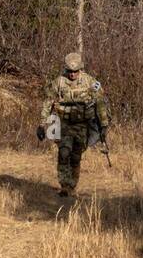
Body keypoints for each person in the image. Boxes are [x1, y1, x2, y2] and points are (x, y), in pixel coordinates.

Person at [37, 51, 110, 196]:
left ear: (80, 69)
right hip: (63, 123)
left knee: (76, 155)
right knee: (64, 152)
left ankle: (72, 186)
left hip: (83, 124)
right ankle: (64, 185)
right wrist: (42, 124)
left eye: (75, 71)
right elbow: (48, 102)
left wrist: (104, 124)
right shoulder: (59, 82)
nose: (72, 74)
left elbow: (100, 103)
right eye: (70, 71)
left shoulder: (90, 82)